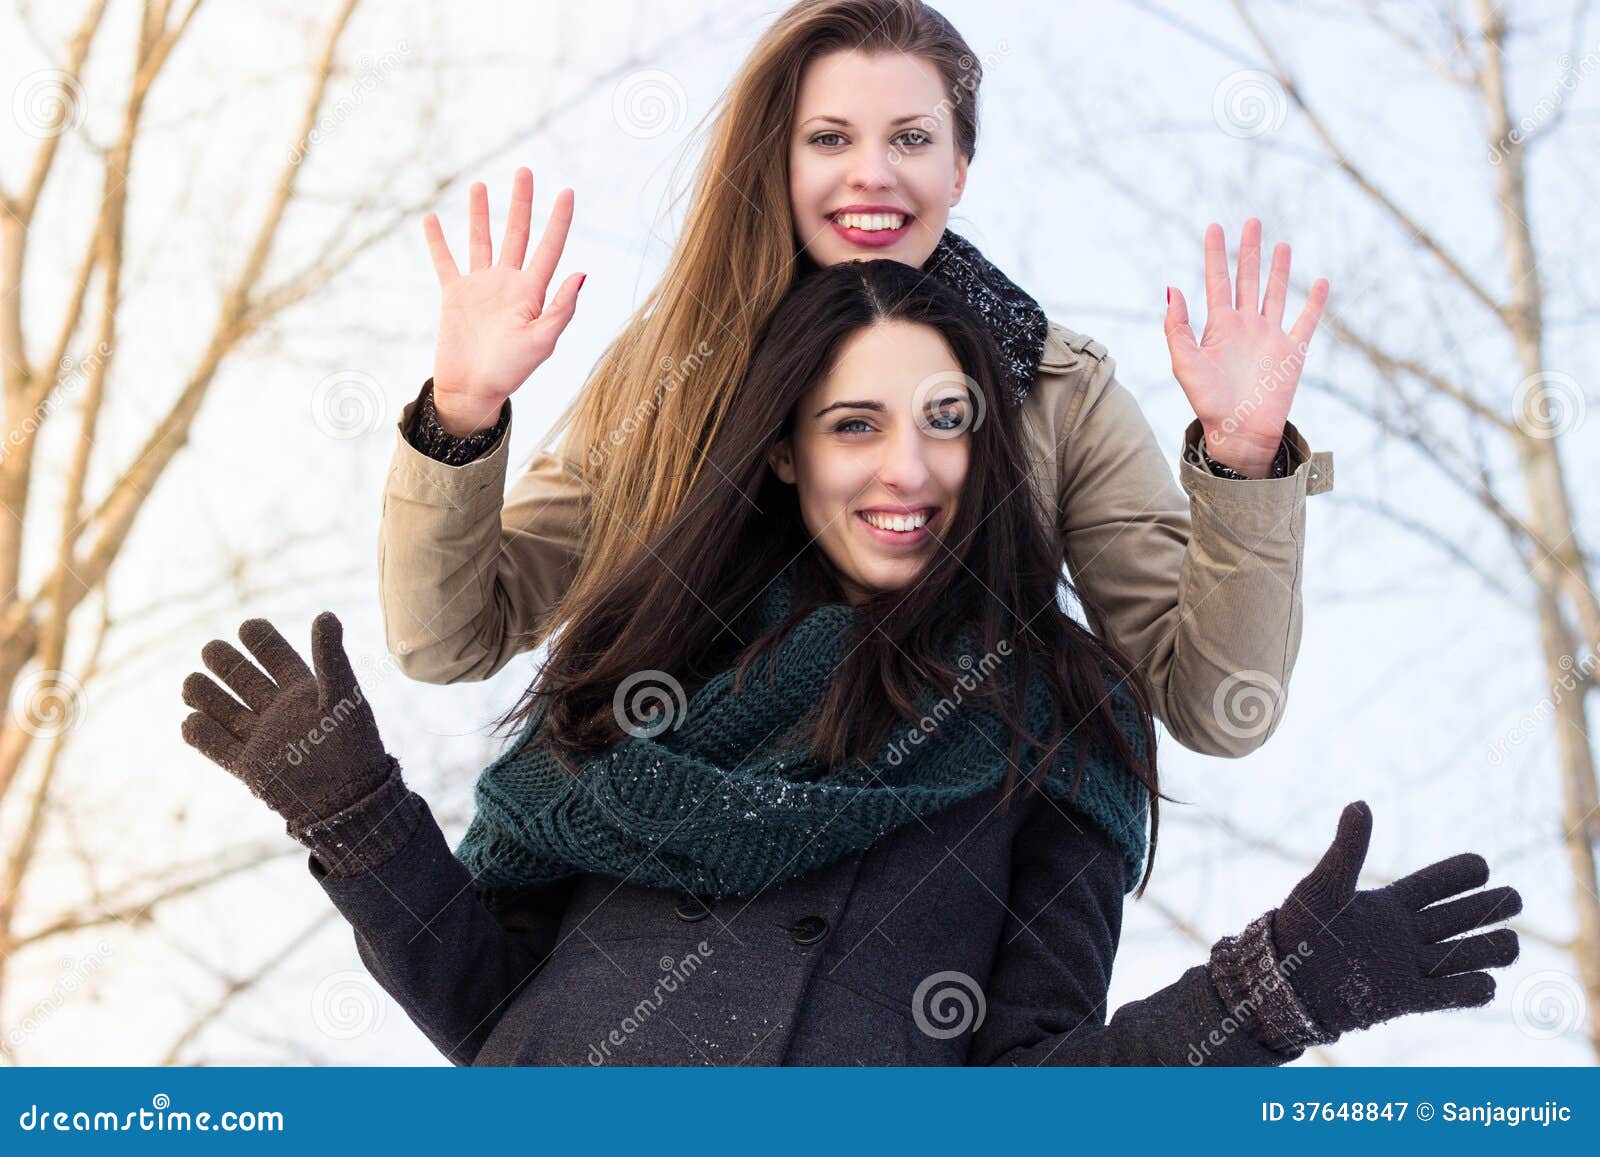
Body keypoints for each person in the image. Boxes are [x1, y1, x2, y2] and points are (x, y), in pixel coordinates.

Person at [182, 261, 1514, 1067]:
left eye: (946, 420)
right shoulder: (646, 660)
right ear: (786, 451)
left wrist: (1263, 998)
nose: (905, 465)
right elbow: (484, 1003)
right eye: (855, 423)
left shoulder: (1061, 715)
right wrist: (358, 817)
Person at [379, 0, 1334, 759]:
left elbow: (1216, 706)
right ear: (777, 160)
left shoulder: (1056, 388)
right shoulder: (677, 367)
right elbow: (450, 638)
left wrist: (1244, 462)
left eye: (911, 139)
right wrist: (461, 413)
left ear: (960, 169)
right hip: (660, 861)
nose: (872, 174)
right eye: (830, 139)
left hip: (936, 855)